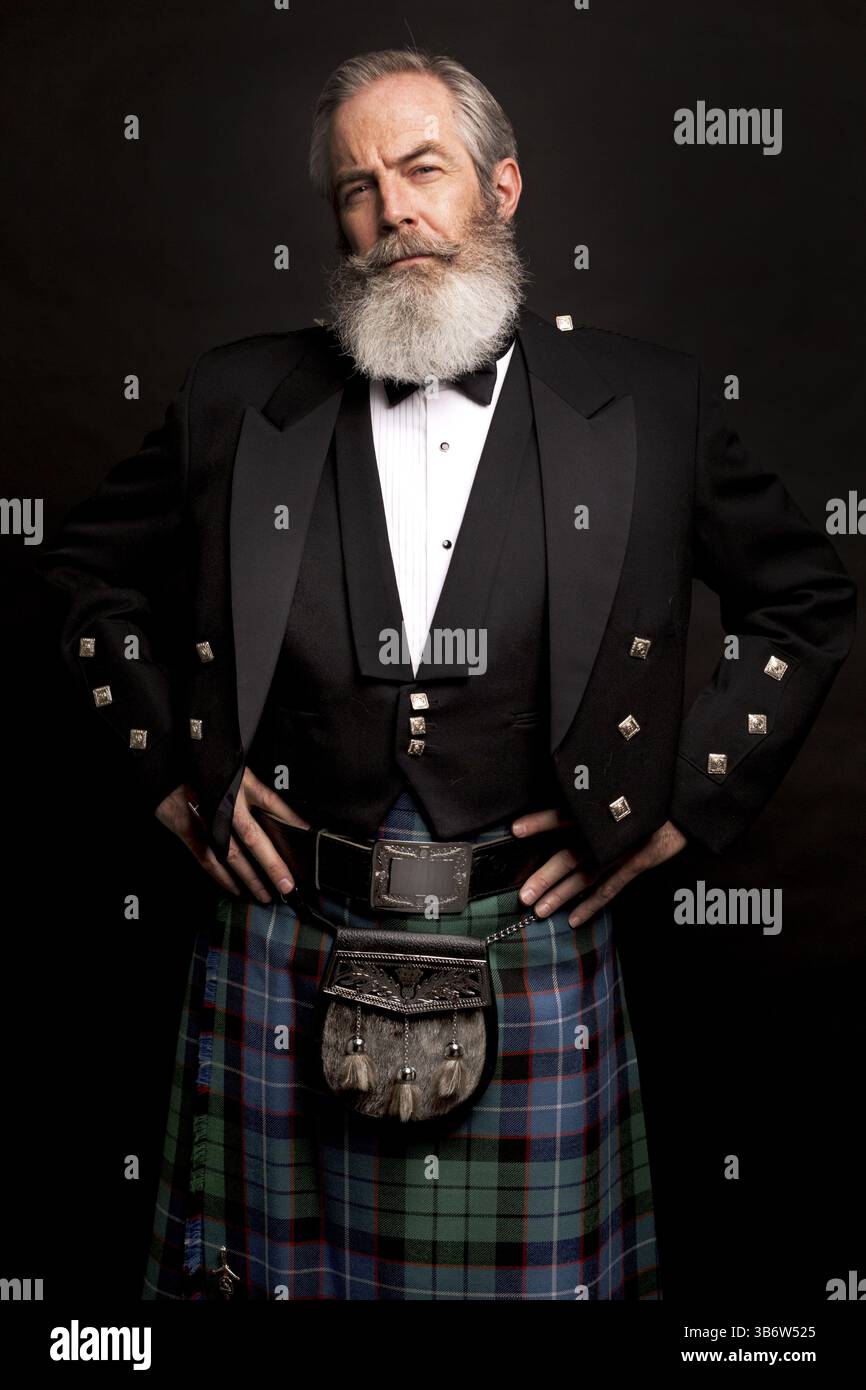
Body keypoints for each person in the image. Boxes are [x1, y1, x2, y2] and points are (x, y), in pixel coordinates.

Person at [35, 47, 855, 1302]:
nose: (392, 209)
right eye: (358, 187)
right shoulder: (235, 398)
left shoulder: (647, 403)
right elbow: (77, 569)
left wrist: (679, 799)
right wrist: (168, 771)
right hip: (282, 933)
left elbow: (804, 596)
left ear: (501, 186)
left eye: (422, 169)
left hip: (526, 941)